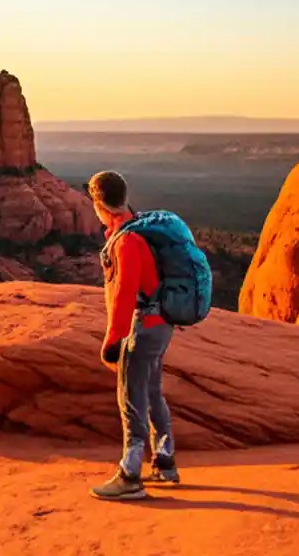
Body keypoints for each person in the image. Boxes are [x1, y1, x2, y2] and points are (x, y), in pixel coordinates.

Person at [86, 171, 179, 501]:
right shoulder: (136, 227)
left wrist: (113, 342)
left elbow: (125, 293)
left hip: (142, 326)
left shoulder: (126, 240)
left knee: (131, 398)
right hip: (160, 324)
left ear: (100, 204)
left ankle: (130, 473)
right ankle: (165, 462)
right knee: (152, 391)